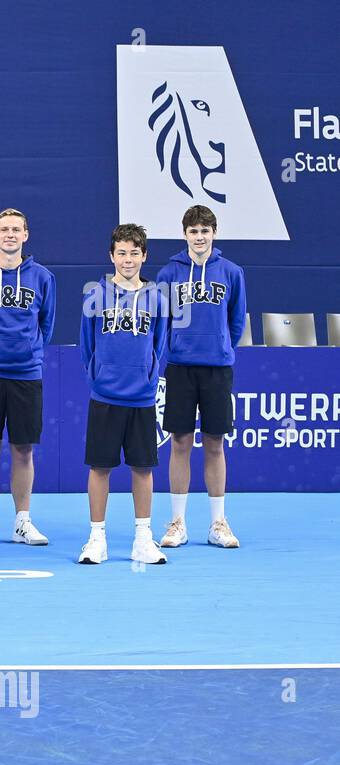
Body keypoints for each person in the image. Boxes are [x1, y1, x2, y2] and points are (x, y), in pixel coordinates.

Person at [0, 208, 57, 546]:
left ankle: (22, 522)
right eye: (4, 229)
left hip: (26, 379)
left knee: (23, 449)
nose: (10, 235)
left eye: (17, 229)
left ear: (26, 235)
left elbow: (46, 324)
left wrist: (28, 352)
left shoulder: (42, 277)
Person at [156, 204, 247, 550]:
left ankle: (217, 523)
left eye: (205, 231)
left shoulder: (231, 272)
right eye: (193, 231)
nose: (199, 237)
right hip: (179, 367)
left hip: (217, 368)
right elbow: (161, 322)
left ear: (214, 233)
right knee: (179, 443)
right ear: (185, 235)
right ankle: (178, 522)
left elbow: (236, 320)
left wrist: (222, 348)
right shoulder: (169, 274)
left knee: (214, 443)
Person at [77, 224, 168, 565]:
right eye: (121, 253)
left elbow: (160, 345)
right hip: (105, 396)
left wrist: (146, 376)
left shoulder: (157, 299)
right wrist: (98, 377)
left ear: (144, 256)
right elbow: (87, 346)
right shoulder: (95, 297)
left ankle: (143, 538)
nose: (127, 259)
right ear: (111, 256)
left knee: (142, 468)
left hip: (141, 398)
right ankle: (96, 537)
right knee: (100, 467)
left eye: (134, 253)